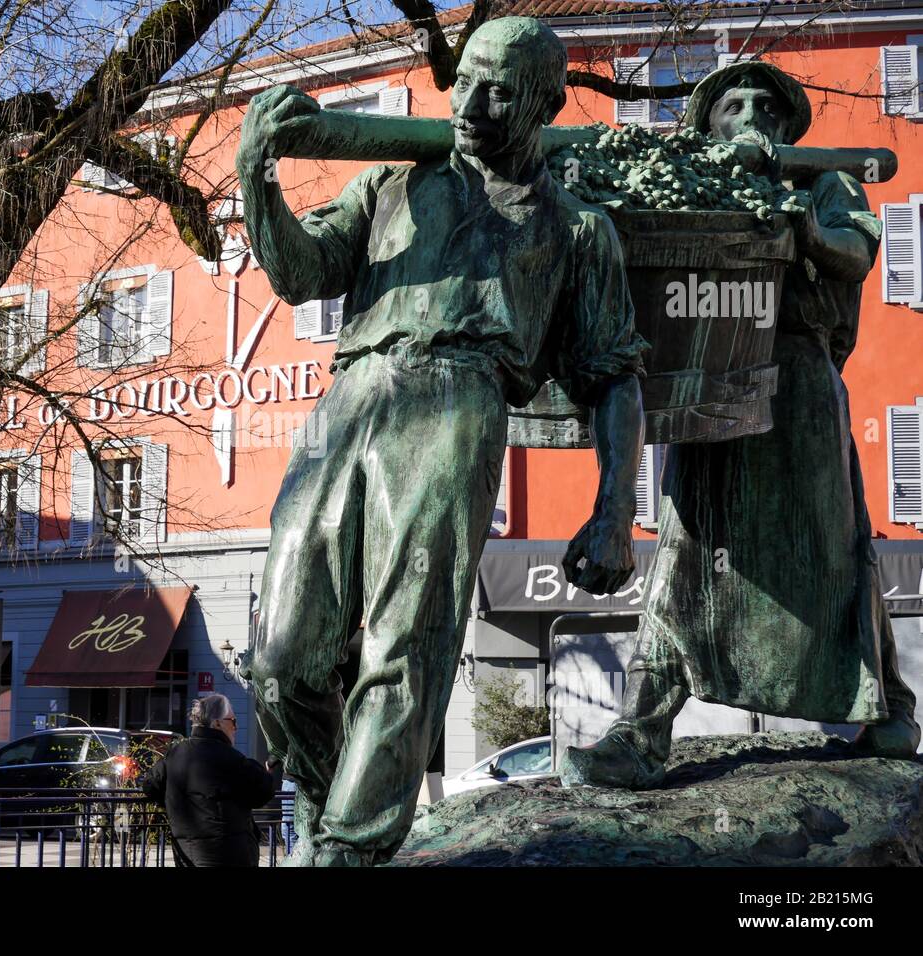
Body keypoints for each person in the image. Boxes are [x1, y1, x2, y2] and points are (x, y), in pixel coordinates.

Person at [237, 16, 648, 866]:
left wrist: (614, 514)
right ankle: (331, 811)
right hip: (347, 398)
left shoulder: (574, 229)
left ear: (543, 102)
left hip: (461, 402)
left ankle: (349, 847)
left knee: (406, 645)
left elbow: (613, 376)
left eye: (499, 88)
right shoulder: (392, 188)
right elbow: (300, 272)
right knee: (278, 662)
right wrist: (256, 179)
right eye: (465, 80)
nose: (470, 103)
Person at [561, 60, 921, 790]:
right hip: (713, 370)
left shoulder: (824, 179)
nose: (751, 112)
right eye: (733, 104)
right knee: (688, 545)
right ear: (711, 123)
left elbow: (856, 253)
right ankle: (644, 727)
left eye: (764, 103)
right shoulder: (697, 180)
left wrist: (804, 232)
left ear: (787, 124)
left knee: (833, 546)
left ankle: (891, 708)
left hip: (798, 376)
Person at [140, 694, 282, 867]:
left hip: (187, 853)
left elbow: (149, 785)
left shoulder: (174, 754)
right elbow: (263, 791)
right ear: (217, 723)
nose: (236, 728)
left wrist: (174, 802)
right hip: (229, 854)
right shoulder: (232, 759)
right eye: (233, 721)